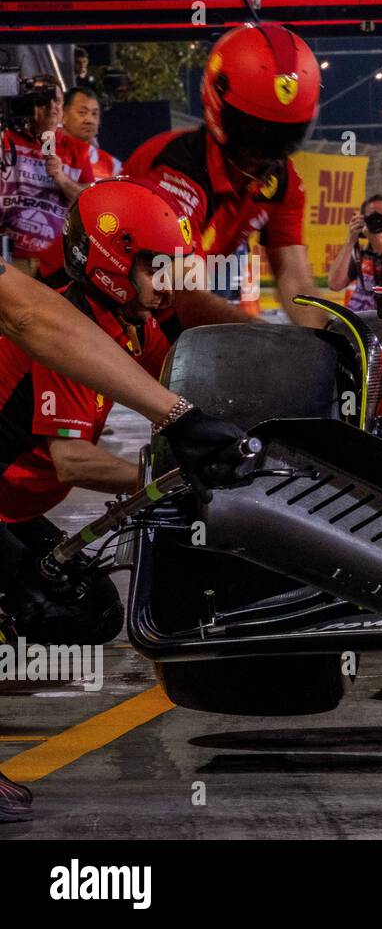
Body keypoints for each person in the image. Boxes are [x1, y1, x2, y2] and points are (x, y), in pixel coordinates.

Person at [0, 180, 252, 825]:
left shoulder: (130, 327)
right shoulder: (75, 322)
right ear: (115, 262)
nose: (168, 284)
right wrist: (175, 475)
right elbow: (72, 460)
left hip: (14, 504)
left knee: (83, 615)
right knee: (29, 608)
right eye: (156, 267)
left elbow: (191, 385)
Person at [116, 23, 326, 327]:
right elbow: (186, 298)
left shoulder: (281, 179)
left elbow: (294, 278)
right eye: (254, 131)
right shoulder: (175, 173)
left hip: (153, 319)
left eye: (283, 136)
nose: (263, 155)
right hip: (104, 315)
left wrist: (328, 340)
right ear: (218, 103)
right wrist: (279, 342)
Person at [0, 76, 94, 276]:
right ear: (28, 104)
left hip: (56, 263)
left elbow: (90, 202)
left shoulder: (79, 150)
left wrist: (61, 178)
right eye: (43, 100)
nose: (51, 106)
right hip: (10, 256)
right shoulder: (6, 139)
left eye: (57, 100)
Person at [62, 86, 122, 181]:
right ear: (63, 115)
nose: (89, 120)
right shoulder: (47, 152)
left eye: (94, 114)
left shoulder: (112, 166)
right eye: (82, 112)